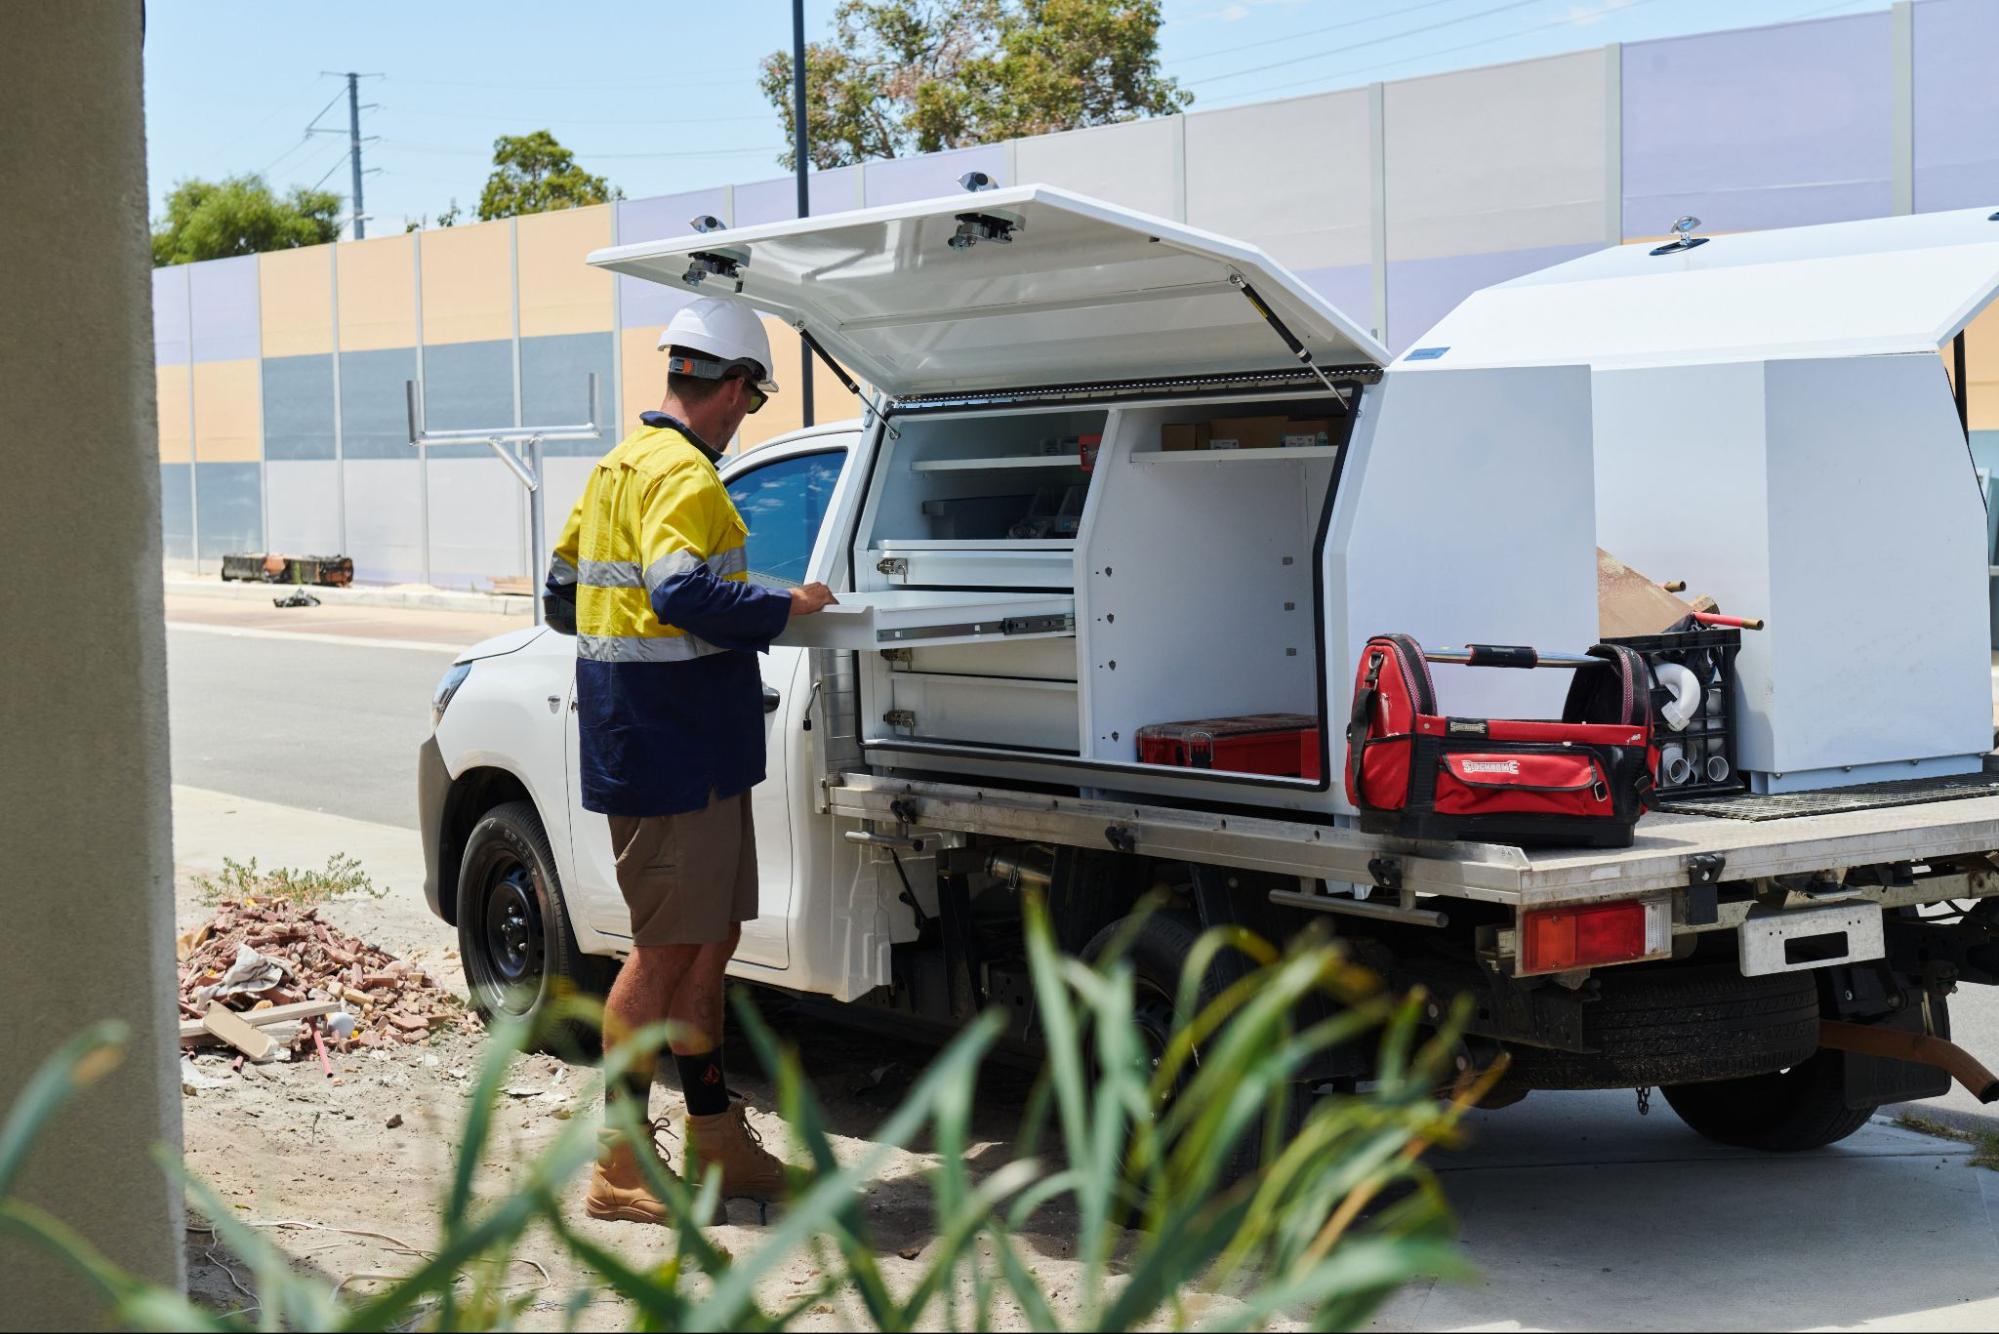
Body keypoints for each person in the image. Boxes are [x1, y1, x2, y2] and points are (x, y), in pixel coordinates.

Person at [542, 296, 837, 1226]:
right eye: (752, 398)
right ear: (738, 389)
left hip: (674, 745)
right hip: (672, 753)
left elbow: (560, 596)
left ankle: (715, 1142)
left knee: (707, 942)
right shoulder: (687, 478)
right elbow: (678, 590)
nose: (748, 413)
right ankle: (621, 1164)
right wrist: (785, 603)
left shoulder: (616, 469)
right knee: (667, 949)